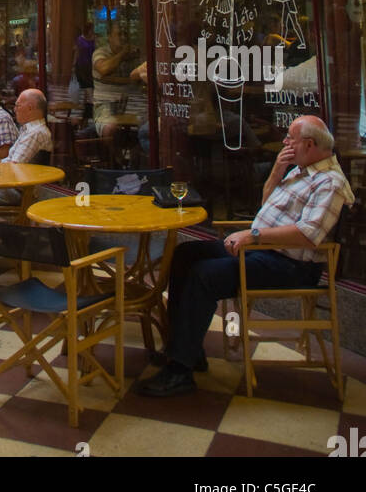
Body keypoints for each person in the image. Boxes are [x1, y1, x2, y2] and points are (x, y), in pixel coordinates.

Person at [137, 116, 356, 397]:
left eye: (290, 138)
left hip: (290, 266)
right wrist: (278, 170)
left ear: (310, 144)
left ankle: (180, 371)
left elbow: (307, 234)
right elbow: (267, 205)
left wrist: (252, 237)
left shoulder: (329, 183)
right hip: (263, 248)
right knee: (185, 254)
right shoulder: (301, 170)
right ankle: (188, 350)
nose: (285, 143)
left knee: (204, 275)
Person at [89, 21, 133, 136]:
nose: (123, 37)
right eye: (119, 34)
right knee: (110, 128)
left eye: (125, 34)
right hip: (105, 105)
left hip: (130, 103)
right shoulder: (100, 53)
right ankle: (112, 154)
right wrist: (122, 53)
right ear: (109, 37)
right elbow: (104, 69)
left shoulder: (133, 54)